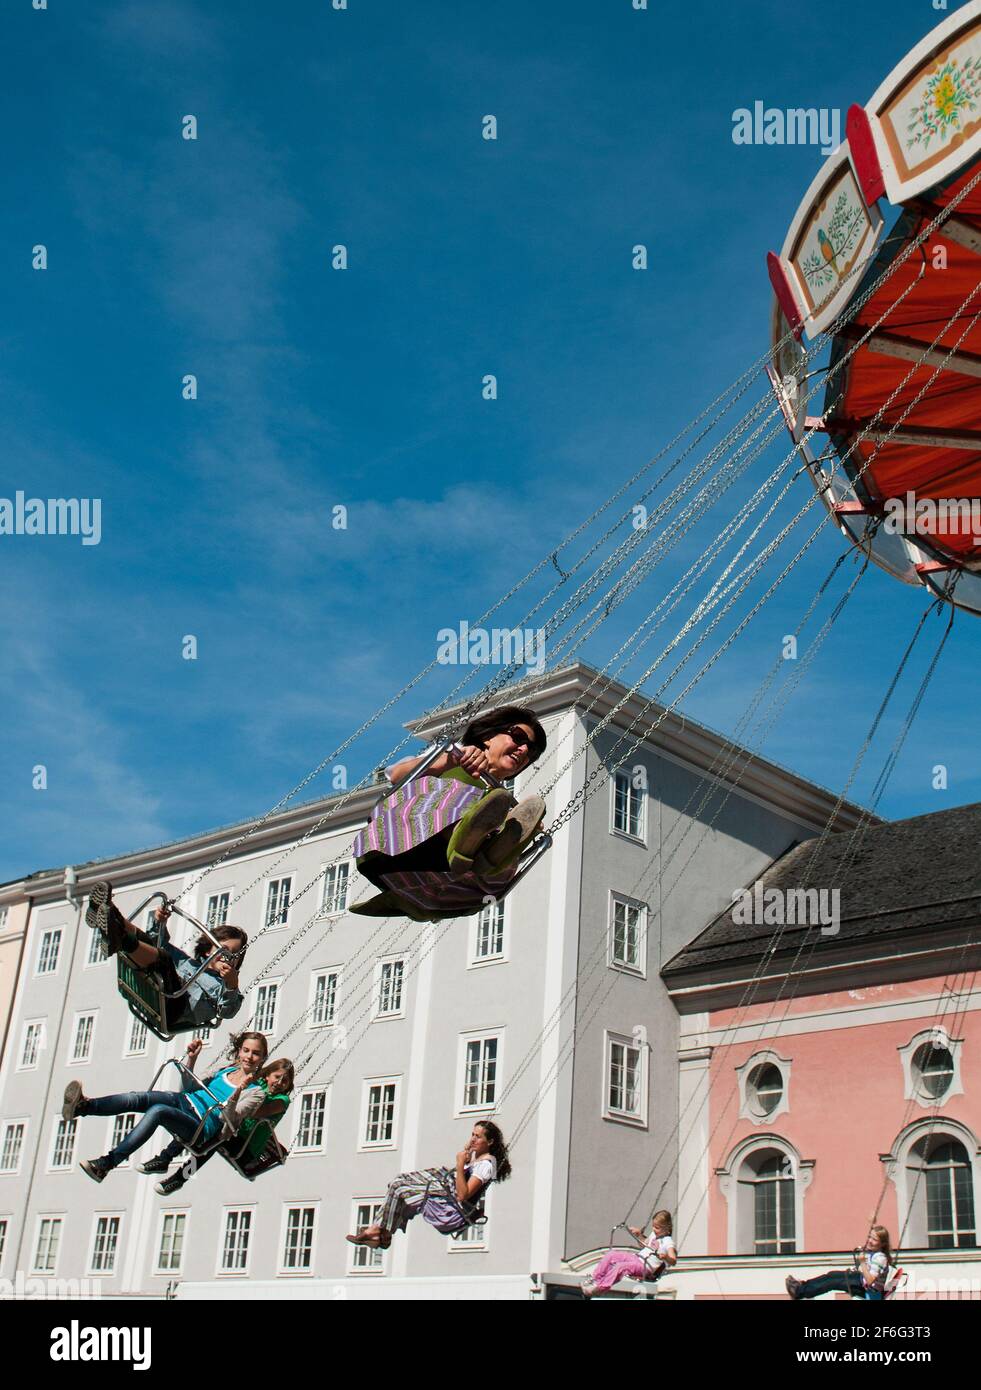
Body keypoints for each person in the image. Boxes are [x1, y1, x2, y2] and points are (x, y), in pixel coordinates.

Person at [351, 705, 548, 922]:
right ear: (489, 736)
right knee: (464, 794)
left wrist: (518, 829)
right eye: (518, 738)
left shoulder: (502, 804)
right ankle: (465, 840)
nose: (524, 750)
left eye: (532, 751)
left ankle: (479, 849)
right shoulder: (450, 756)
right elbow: (398, 775)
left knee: (506, 834)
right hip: (394, 842)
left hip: (425, 880)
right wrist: (451, 759)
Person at [63, 1035, 261, 1183]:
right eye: (246, 1050)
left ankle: (106, 1164)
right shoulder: (224, 1069)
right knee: (137, 1098)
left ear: (262, 1058)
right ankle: (83, 1107)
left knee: (158, 1111)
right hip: (184, 1100)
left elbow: (228, 1117)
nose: (249, 1056)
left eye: (256, 1053)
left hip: (201, 1126)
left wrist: (238, 1090)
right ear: (239, 1051)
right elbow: (189, 1088)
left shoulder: (256, 1092)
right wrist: (191, 1060)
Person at [86, 881, 246, 1031]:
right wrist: (160, 921)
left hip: (173, 1009)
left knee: (164, 959)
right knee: (153, 946)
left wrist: (231, 984)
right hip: (154, 988)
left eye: (234, 955)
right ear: (207, 950)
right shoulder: (187, 963)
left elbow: (227, 1012)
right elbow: (156, 943)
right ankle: (108, 910)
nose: (227, 956)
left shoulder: (227, 987)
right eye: (223, 950)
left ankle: (117, 935)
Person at [346, 1120, 511, 1247]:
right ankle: (381, 1234)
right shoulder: (477, 1160)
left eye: (478, 1137)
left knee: (398, 1186)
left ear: (490, 1142)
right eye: (472, 1135)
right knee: (398, 1182)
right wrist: (466, 1154)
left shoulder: (486, 1165)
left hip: (451, 1208)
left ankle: (378, 1232)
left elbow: (463, 1194)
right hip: (446, 1194)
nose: (473, 1139)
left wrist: (460, 1164)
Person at [154, 1055, 294, 1195]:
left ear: (288, 1085)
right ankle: (165, 1157)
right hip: (231, 1130)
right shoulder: (257, 1084)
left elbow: (254, 1111)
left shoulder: (282, 1101)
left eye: (285, 1081)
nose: (279, 1082)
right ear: (268, 1075)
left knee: (214, 1141)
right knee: (201, 1122)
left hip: (245, 1147)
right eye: (277, 1077)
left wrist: (249, 1093)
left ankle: (179, 1178)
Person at [582, 1210, 677, 1297]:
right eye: (653, 1226)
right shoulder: (654, 1234)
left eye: (657, 1227)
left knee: (620, 1267)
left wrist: (665, 1257)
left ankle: (601, 1288)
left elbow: (673, 1260)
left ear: (666, 1228)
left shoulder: (668, 1242)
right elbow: (643, 1245)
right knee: (611, 1255)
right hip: (637, 1258)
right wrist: (639, 1235)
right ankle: (595, 1279)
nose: (654, 1229)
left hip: (645, 1267)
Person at [786, 1226, 893, 1300]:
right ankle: (803, 1286)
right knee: (831, 1275)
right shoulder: (875, 1253)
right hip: (861, 1279)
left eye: (874, 1239)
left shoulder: (880, 1258)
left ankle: (799, 1291)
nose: (869, 1241)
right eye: (869, 1237)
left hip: (866, 1289)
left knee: (833, 1282)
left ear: (882, 1244)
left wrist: (863, 1263)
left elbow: (870, 1281)